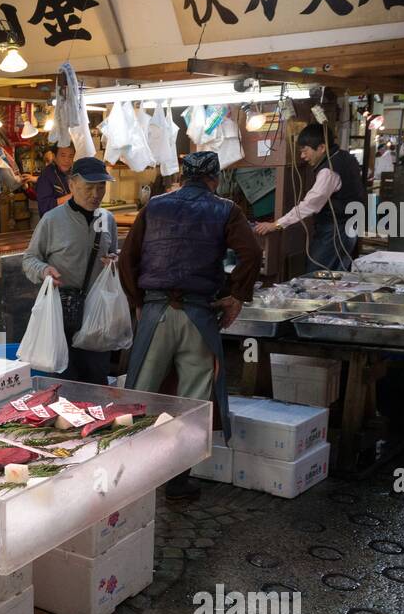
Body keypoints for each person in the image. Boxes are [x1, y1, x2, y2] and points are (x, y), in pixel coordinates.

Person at [118, 151, 262, 501]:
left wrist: (139, 302)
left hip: (156, 314)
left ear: (182, 176)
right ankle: (178, 483)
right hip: (199, 316)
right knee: (192, 404)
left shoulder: (155, 206)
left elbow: (127, 259)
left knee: (141, 399)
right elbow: (253, 253)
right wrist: (236, 296)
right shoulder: (226, 208)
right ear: (215, 179)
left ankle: (128, 480)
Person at [22, 157, 119, 384]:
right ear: (72, 184)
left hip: (97, 314)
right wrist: (44, 270)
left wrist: (114, 262)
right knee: (64, 381)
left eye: (101, 186)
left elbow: (114, 254)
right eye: (89, 187)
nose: (96, 194)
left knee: (97, 379)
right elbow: (29, 259)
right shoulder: (52, 220)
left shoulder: (107, 219)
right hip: (62, 312)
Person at [254, 123, 366, 272]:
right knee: (336, 273)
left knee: (317, 273)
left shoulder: (329, 170)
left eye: (305, 151)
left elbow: (310, 204)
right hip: (349, 226)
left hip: (336, 229)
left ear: (321, 148)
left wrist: (276, 224)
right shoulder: (344, 156)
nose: (302, 156)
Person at [34, 145, 76, 216]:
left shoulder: (75, 173)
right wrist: (74, 196)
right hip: (54, 223)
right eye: (63, 155)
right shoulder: (46, 175)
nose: (67, 160)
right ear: (54, 156)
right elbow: (44, 208)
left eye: (70, 156)